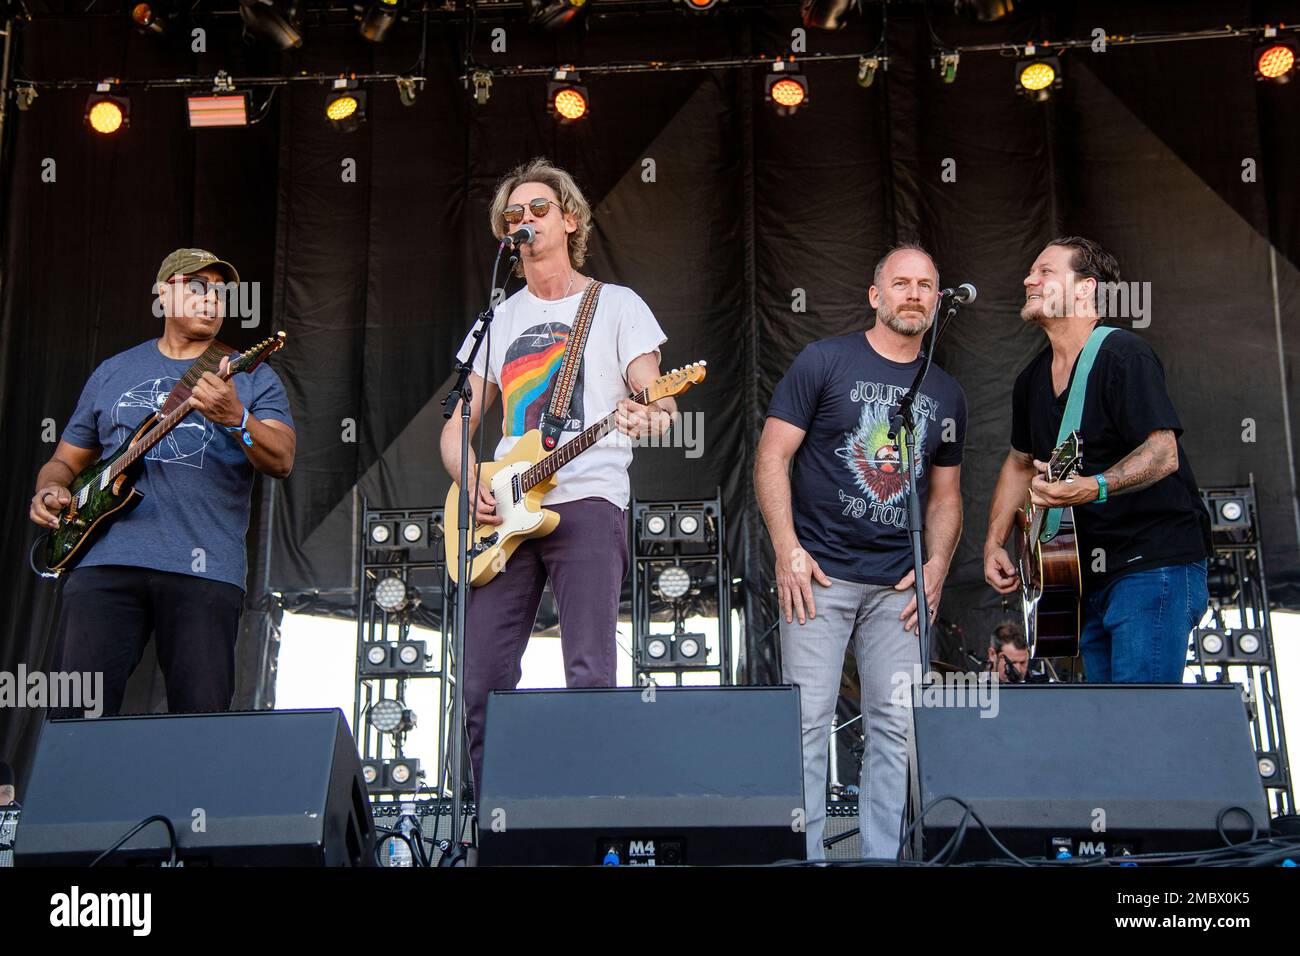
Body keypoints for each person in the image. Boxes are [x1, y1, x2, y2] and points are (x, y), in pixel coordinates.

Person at [440, 158, 675, 794]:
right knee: (482, 676)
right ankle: (493, 818)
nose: (526, 220)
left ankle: (591, 814)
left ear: (570, 220)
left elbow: (661, 404)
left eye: (539, 209)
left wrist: (650, 411)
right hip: (506, 512)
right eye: (514, 214)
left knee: (591, 671)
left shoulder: (616, 305)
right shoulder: (498, 319)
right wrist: (475, 482)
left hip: (590, 500)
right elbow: (455, 426)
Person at [755, 241, 967, 861]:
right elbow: (772, 456)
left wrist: (936, 567)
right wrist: (787, 548)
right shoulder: (824, 361)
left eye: (926, 286)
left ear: (936, 301)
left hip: (899, 589)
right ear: (876, 296)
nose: (914, 294)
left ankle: (879, 858)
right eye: (901, 283)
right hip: (819, 575)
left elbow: (947, 494)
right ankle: (809, 858)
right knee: (806, 725)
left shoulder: (947, 393)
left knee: (895, 728)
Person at [29, 248, 296, 718]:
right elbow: (63, 462)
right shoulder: (112, 371)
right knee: (74, 715)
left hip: (205, 570)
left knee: (200, 721)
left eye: (221, 293)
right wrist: (50, 490)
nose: (212, 301)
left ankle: (194, 798)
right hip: (103, 564)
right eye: (197, 288)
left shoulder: (252, 374)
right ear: (163, 293)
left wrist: (236, 417)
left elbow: (283, 459)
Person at [983, 236, 1210, 683]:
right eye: (1031, 272)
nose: (1029, 279)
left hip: (1151, 563)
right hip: (1081, 578)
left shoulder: (1124, 355)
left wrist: (1095, 486)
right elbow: (1019, 462)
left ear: (1086, 288)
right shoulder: (1030, 380)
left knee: (1139, 721)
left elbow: (1162, 453)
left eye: (1045, 271)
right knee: (1107, 728)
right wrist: (994, 541)